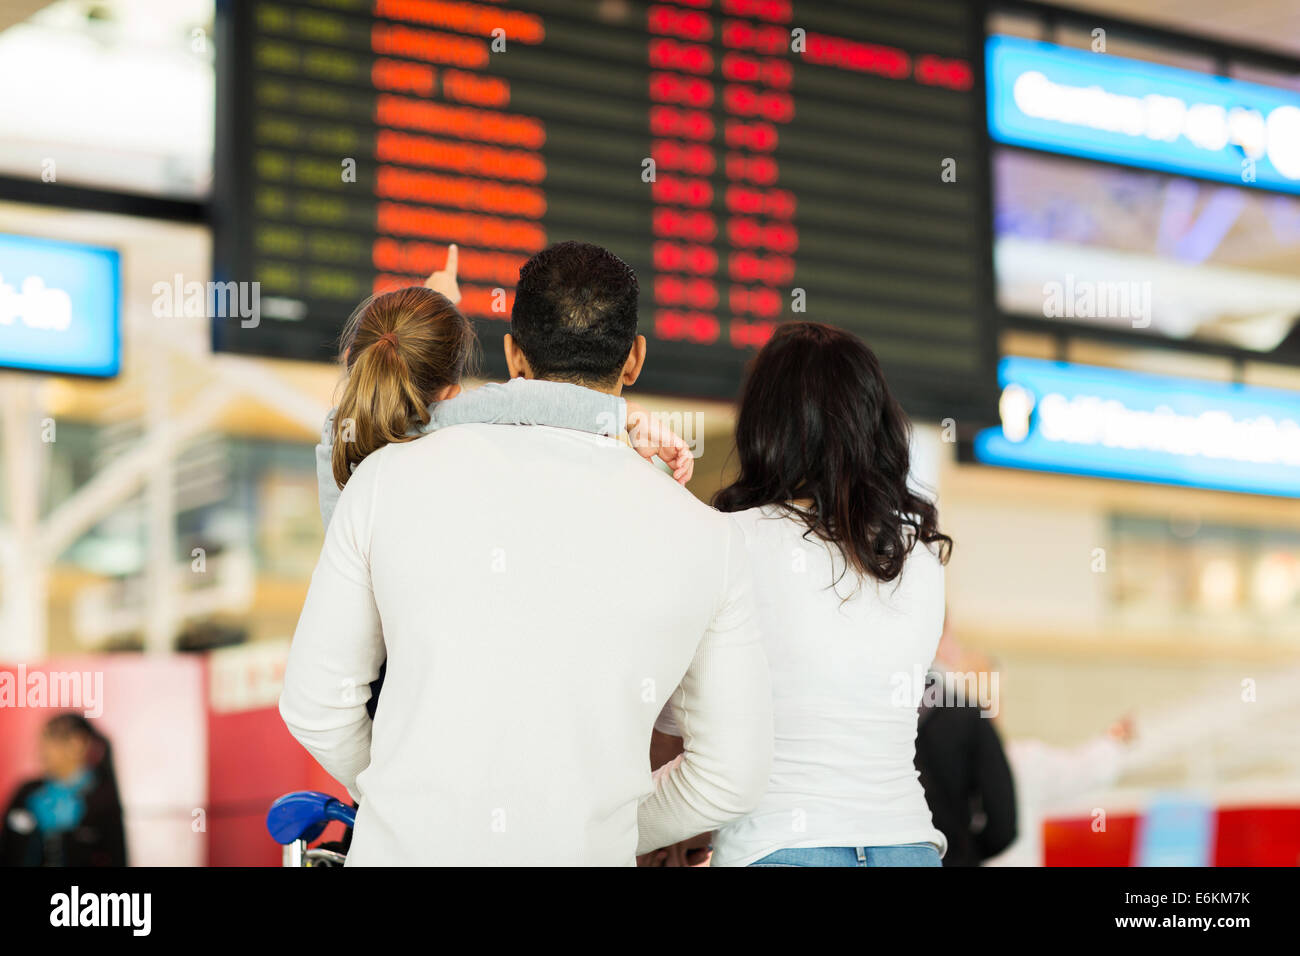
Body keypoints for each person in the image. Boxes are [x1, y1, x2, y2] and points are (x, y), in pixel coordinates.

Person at [280, 240, 773, 865]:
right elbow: (734, 773)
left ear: (513, 354)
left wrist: (394, 801)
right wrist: (600, 828)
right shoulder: (710, 537)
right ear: (636, 358)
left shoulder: (385, 480)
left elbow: (316, 705)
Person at [312, 248, 694, 720]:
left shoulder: (338, 441)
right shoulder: (465, 427)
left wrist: (429, 307)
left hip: (384, 688)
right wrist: (625, 415)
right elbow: (534, 401)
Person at [661, 321, 953, 867]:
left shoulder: (730, 539)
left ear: (764, 425)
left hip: (777, 845)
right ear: (876, 424)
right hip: (907, 843)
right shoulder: (920, 557)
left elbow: (675, 721)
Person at [1, 714, 127, 867]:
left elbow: (117, 856)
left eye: (50, 740)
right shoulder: (27, 793)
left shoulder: (101, 800)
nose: (41, 750)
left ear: (77, 744)